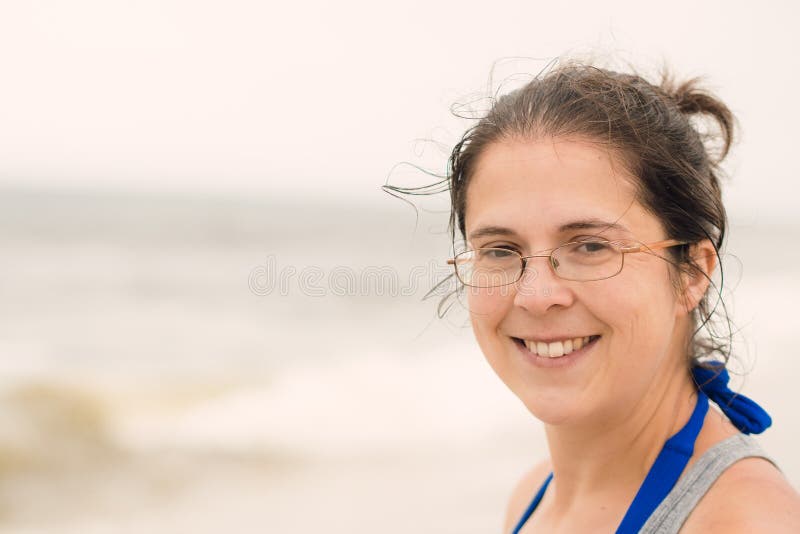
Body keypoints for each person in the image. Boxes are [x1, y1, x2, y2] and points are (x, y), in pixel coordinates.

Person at [388, 60, 800, 532]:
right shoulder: (533, 498)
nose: (536, 296)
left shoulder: (745, 520)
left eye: (590, 246)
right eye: (500, 249)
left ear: (692, 272)